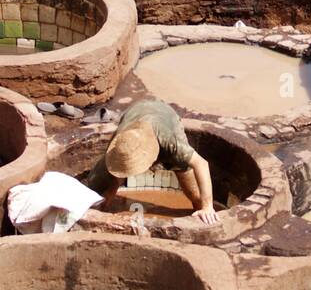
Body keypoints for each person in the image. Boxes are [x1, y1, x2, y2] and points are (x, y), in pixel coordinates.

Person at [86, 95, 217, 225]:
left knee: (192, 190)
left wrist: (207, 207)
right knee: (109, 183)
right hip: (135, 112)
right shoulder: (119, 145)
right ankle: (105, 210)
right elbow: (92, 192)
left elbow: (201, 164)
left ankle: (202, 214)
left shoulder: (169, 141)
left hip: (165, 116)